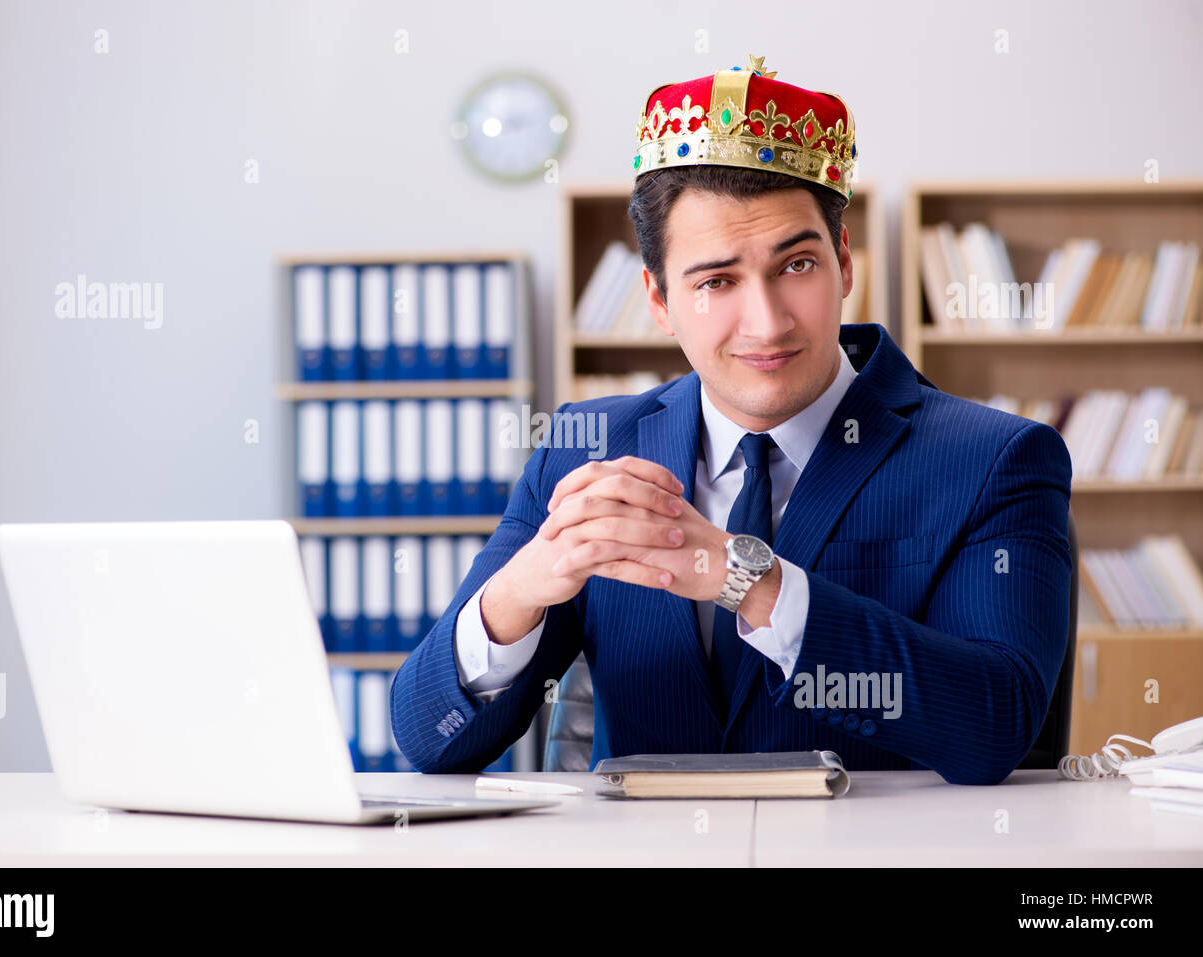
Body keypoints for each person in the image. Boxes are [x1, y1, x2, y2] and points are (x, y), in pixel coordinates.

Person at [389, 56, 1073, 785]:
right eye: (717, 281)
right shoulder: (581, 451)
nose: (767, 321)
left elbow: (996, 723)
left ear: (844, 262)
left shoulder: (995, 458)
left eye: (797, 266)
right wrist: (520, 590)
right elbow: (430, 741)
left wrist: (751, 581)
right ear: (658, 300)